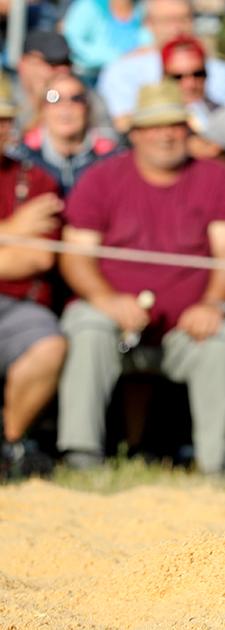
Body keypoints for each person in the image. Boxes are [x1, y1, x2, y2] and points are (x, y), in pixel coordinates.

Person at [55, 81, 225, 474]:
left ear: (187, 130)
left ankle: (223, 471)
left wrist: (213, 303)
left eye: (175, 125)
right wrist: (107, 300)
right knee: (86, 326)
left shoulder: (215, 179)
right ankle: (80, 457)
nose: (165, 135)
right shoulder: (101, 178)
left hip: (186, 329)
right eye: (154, 126)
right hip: (110, 318)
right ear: (136, 134)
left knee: (223, 339)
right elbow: (76, 257)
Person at [0, 78, 65, 478]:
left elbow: (40, 257)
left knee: (48, 344)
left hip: (18, 306)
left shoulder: (35, 180)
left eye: (5, 120)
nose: (0, 128)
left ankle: (9, 446)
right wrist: (12, 228)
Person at [97, 0, 225, 127]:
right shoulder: (122, 71)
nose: (177, 28)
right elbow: (122, 125)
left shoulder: (223, 72)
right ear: (148, 23)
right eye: (167, 21)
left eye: (184, 19)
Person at [17, 73, 118, 195]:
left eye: (76, 98)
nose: (66, 107)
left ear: (88, 107)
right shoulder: (20, 159)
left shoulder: (112, 160)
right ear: (42, 108)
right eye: (53, 97)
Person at [61, 0, 148, 80]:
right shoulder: (89, 3)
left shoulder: (147, 7)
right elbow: (71, 42)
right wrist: (120, 58)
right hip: (89, 81)